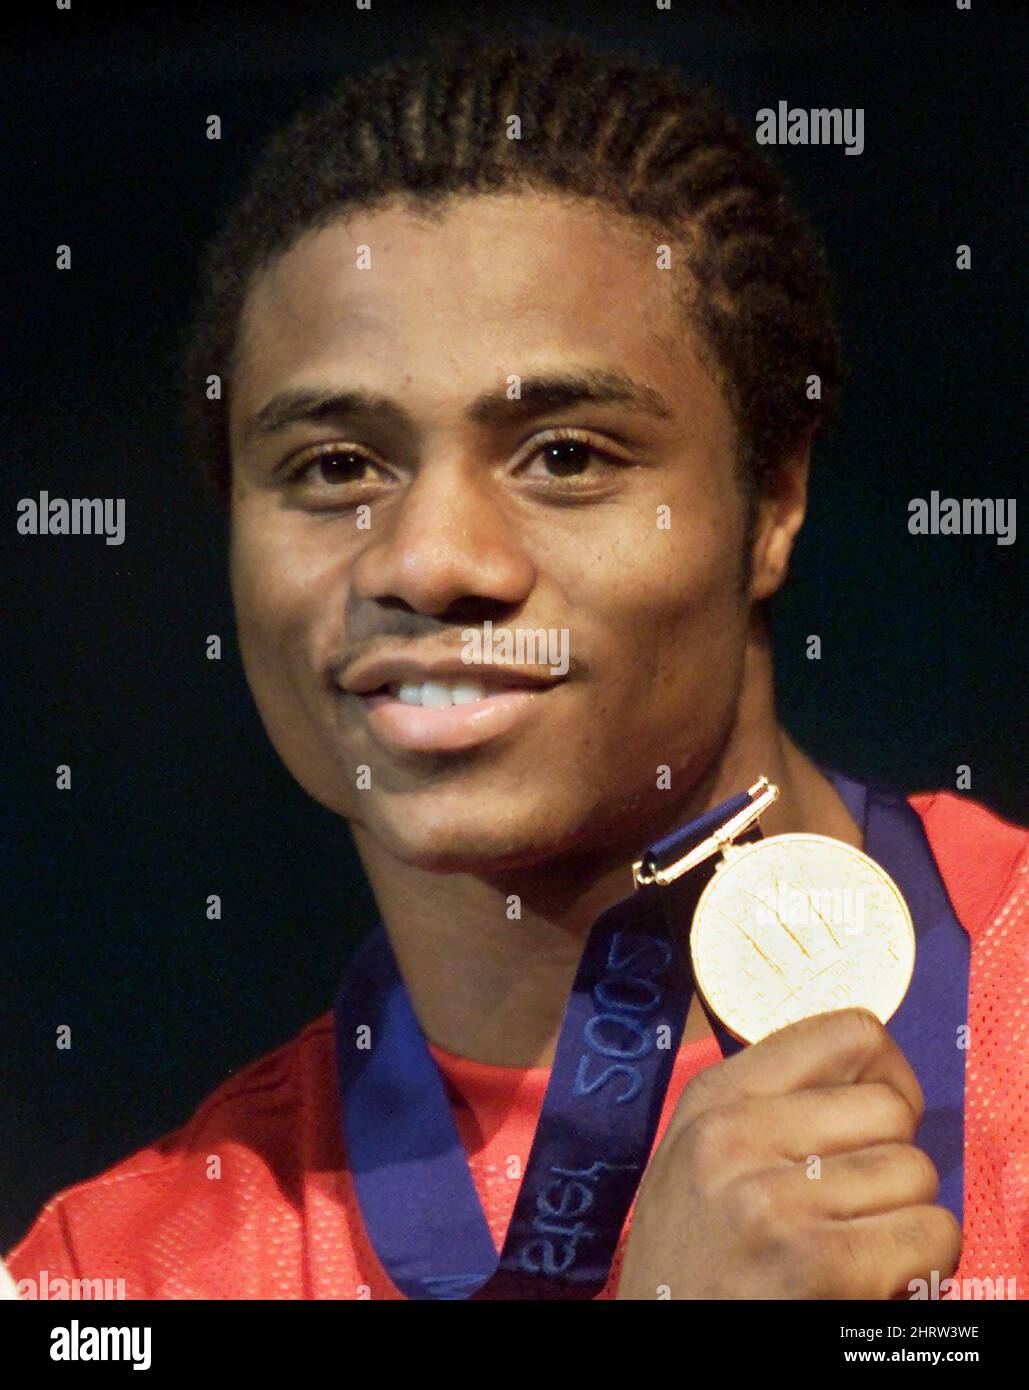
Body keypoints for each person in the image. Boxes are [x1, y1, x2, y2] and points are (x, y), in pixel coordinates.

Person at [6, 37, 1026, 1301]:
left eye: (565, 455)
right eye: (336, 467)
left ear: (771, 502)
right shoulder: (108, 1277)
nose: (432, 562)